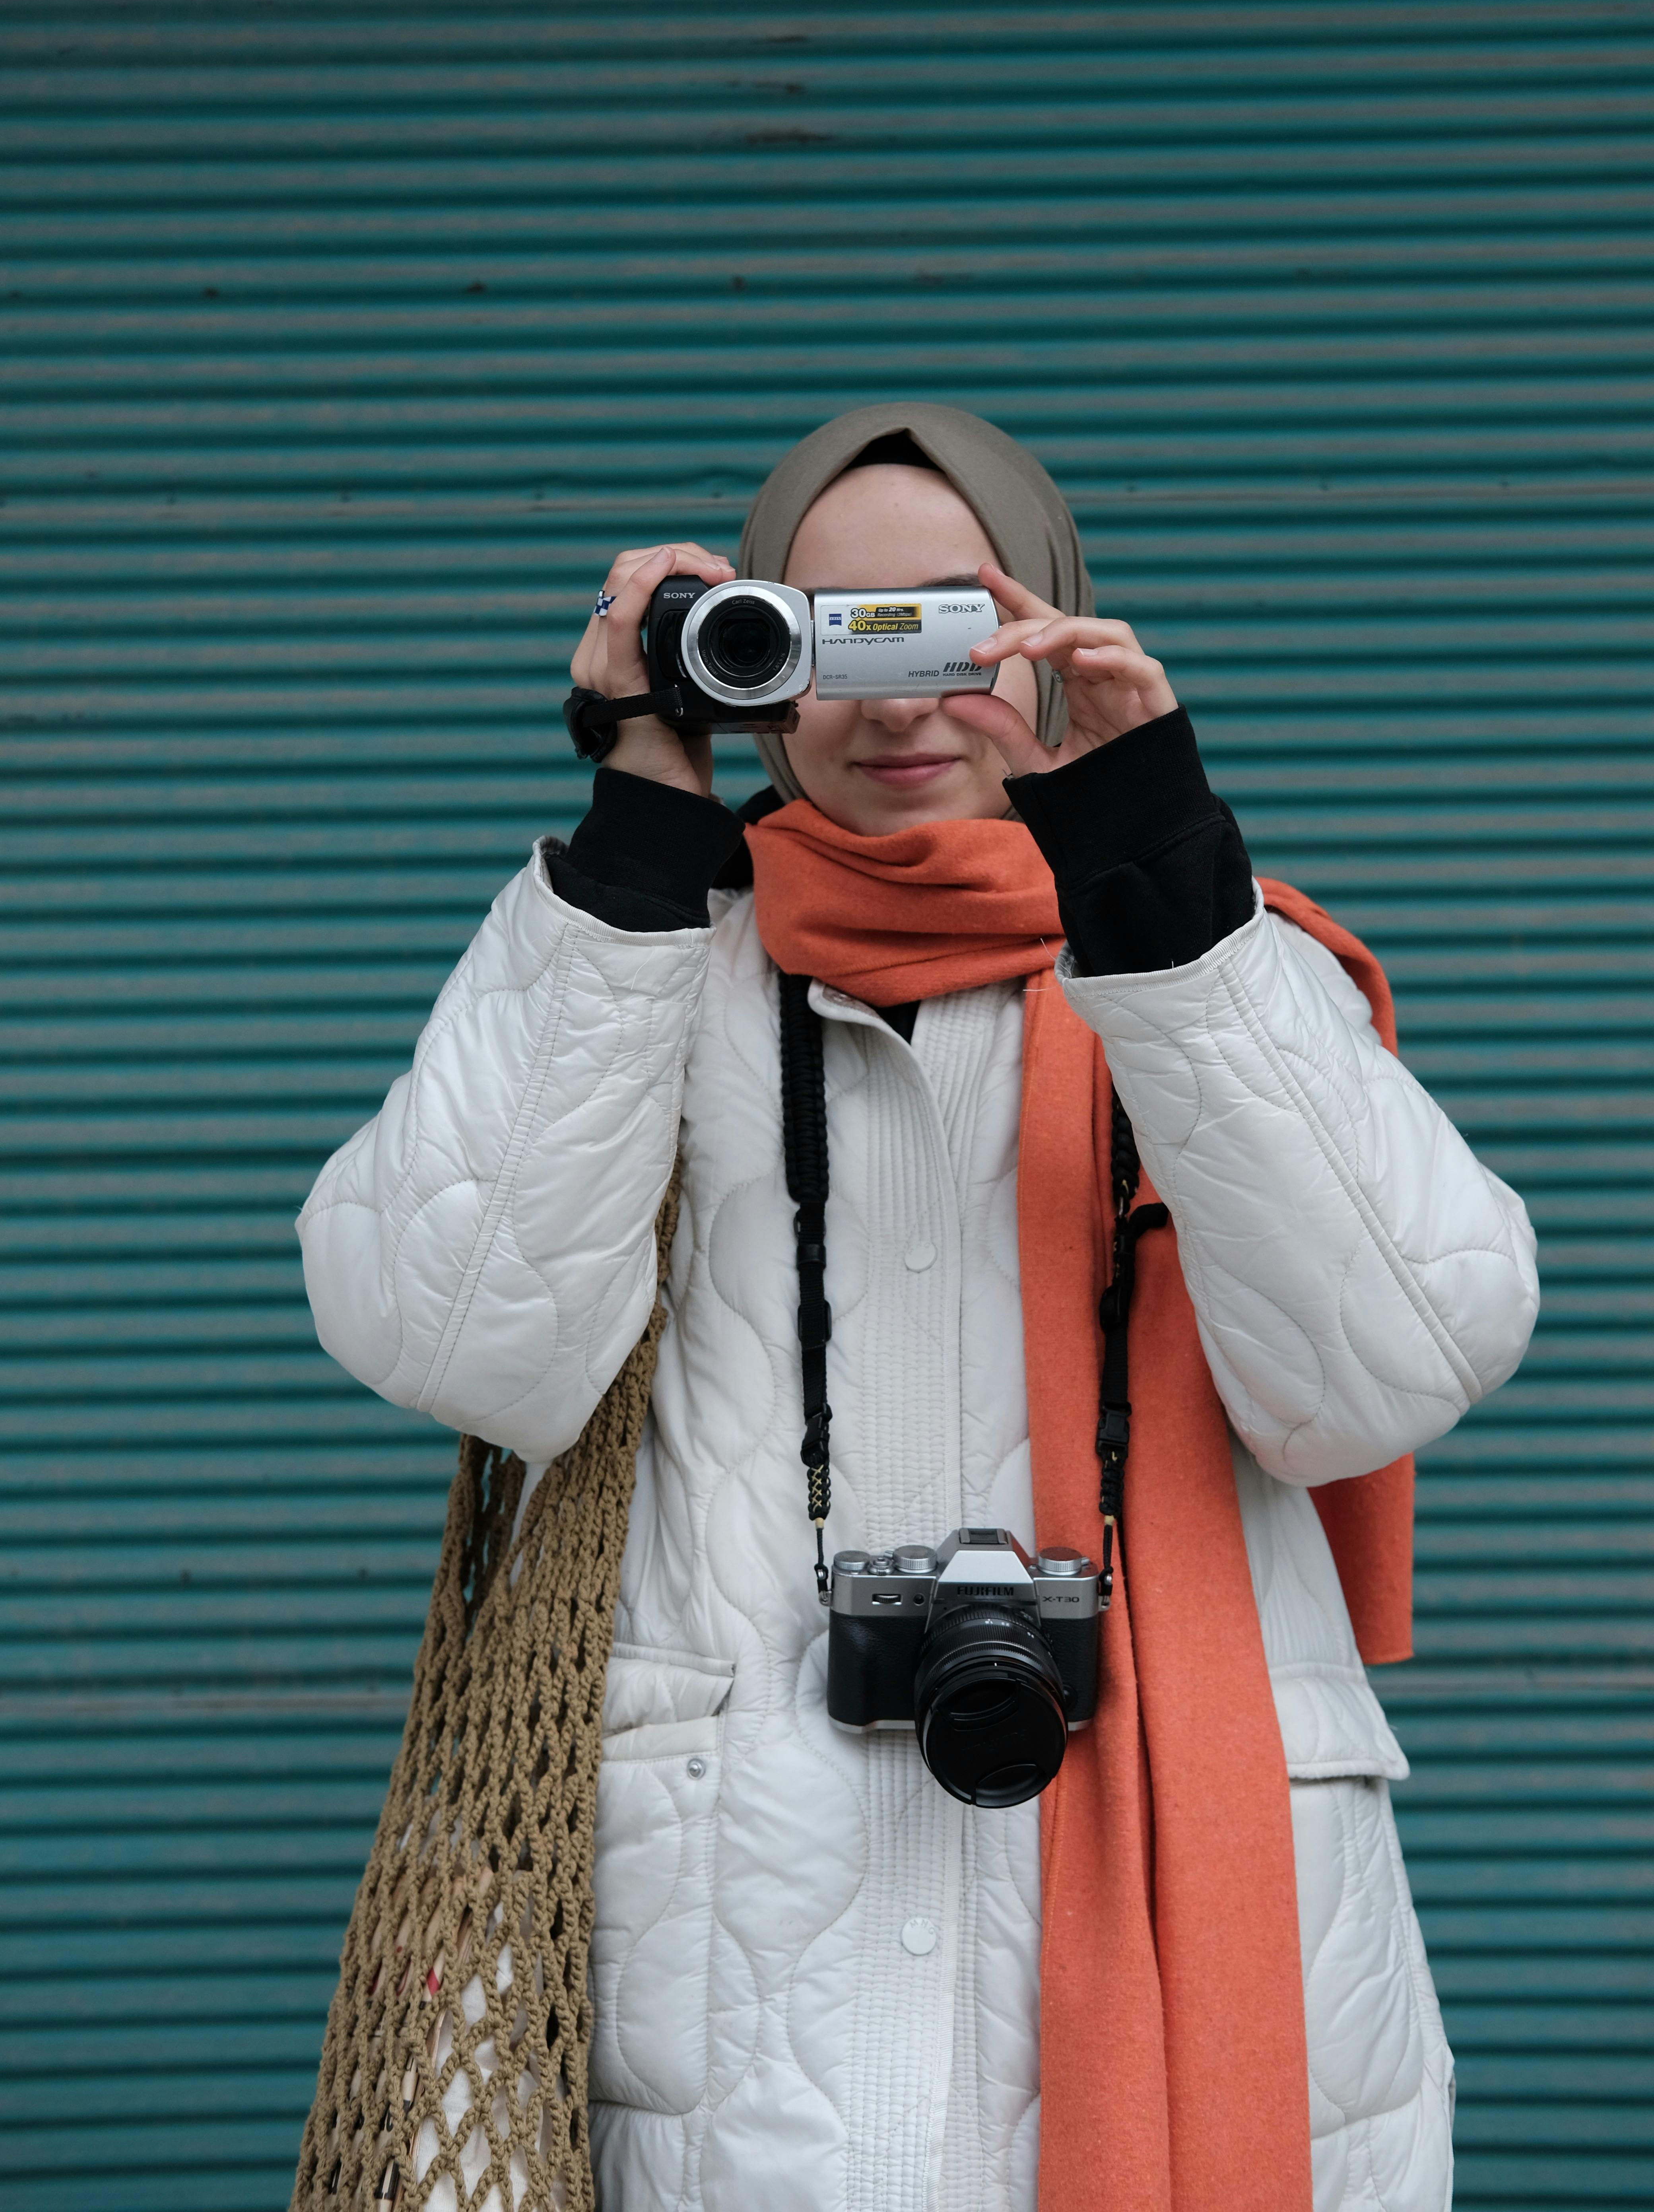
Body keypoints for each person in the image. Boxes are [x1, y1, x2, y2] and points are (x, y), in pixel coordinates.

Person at [299, 404, 1538, 2212]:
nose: (895, 706)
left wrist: (1163, 890)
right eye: (821, 638)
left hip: (1194, 1949)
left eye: (952, 633)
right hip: (723, 1983)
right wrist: (642, 823)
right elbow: (452, 1336)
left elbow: (1394, 1365)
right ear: (741, 665)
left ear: (1051, 644)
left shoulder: (1208, 957)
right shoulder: (635, 956)